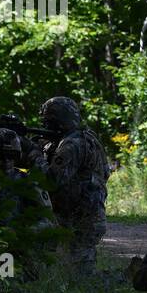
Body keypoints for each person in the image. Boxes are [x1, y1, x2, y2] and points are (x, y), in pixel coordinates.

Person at [39, 96, 110, 274]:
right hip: (81, 215)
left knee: (81, 276)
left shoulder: (72, 144)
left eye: (48, 122)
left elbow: (52, 181)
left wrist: (34, 156)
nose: (45, 126)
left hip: (81, 219)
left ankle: (122, 278)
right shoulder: (87, 138)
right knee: (58, 266)